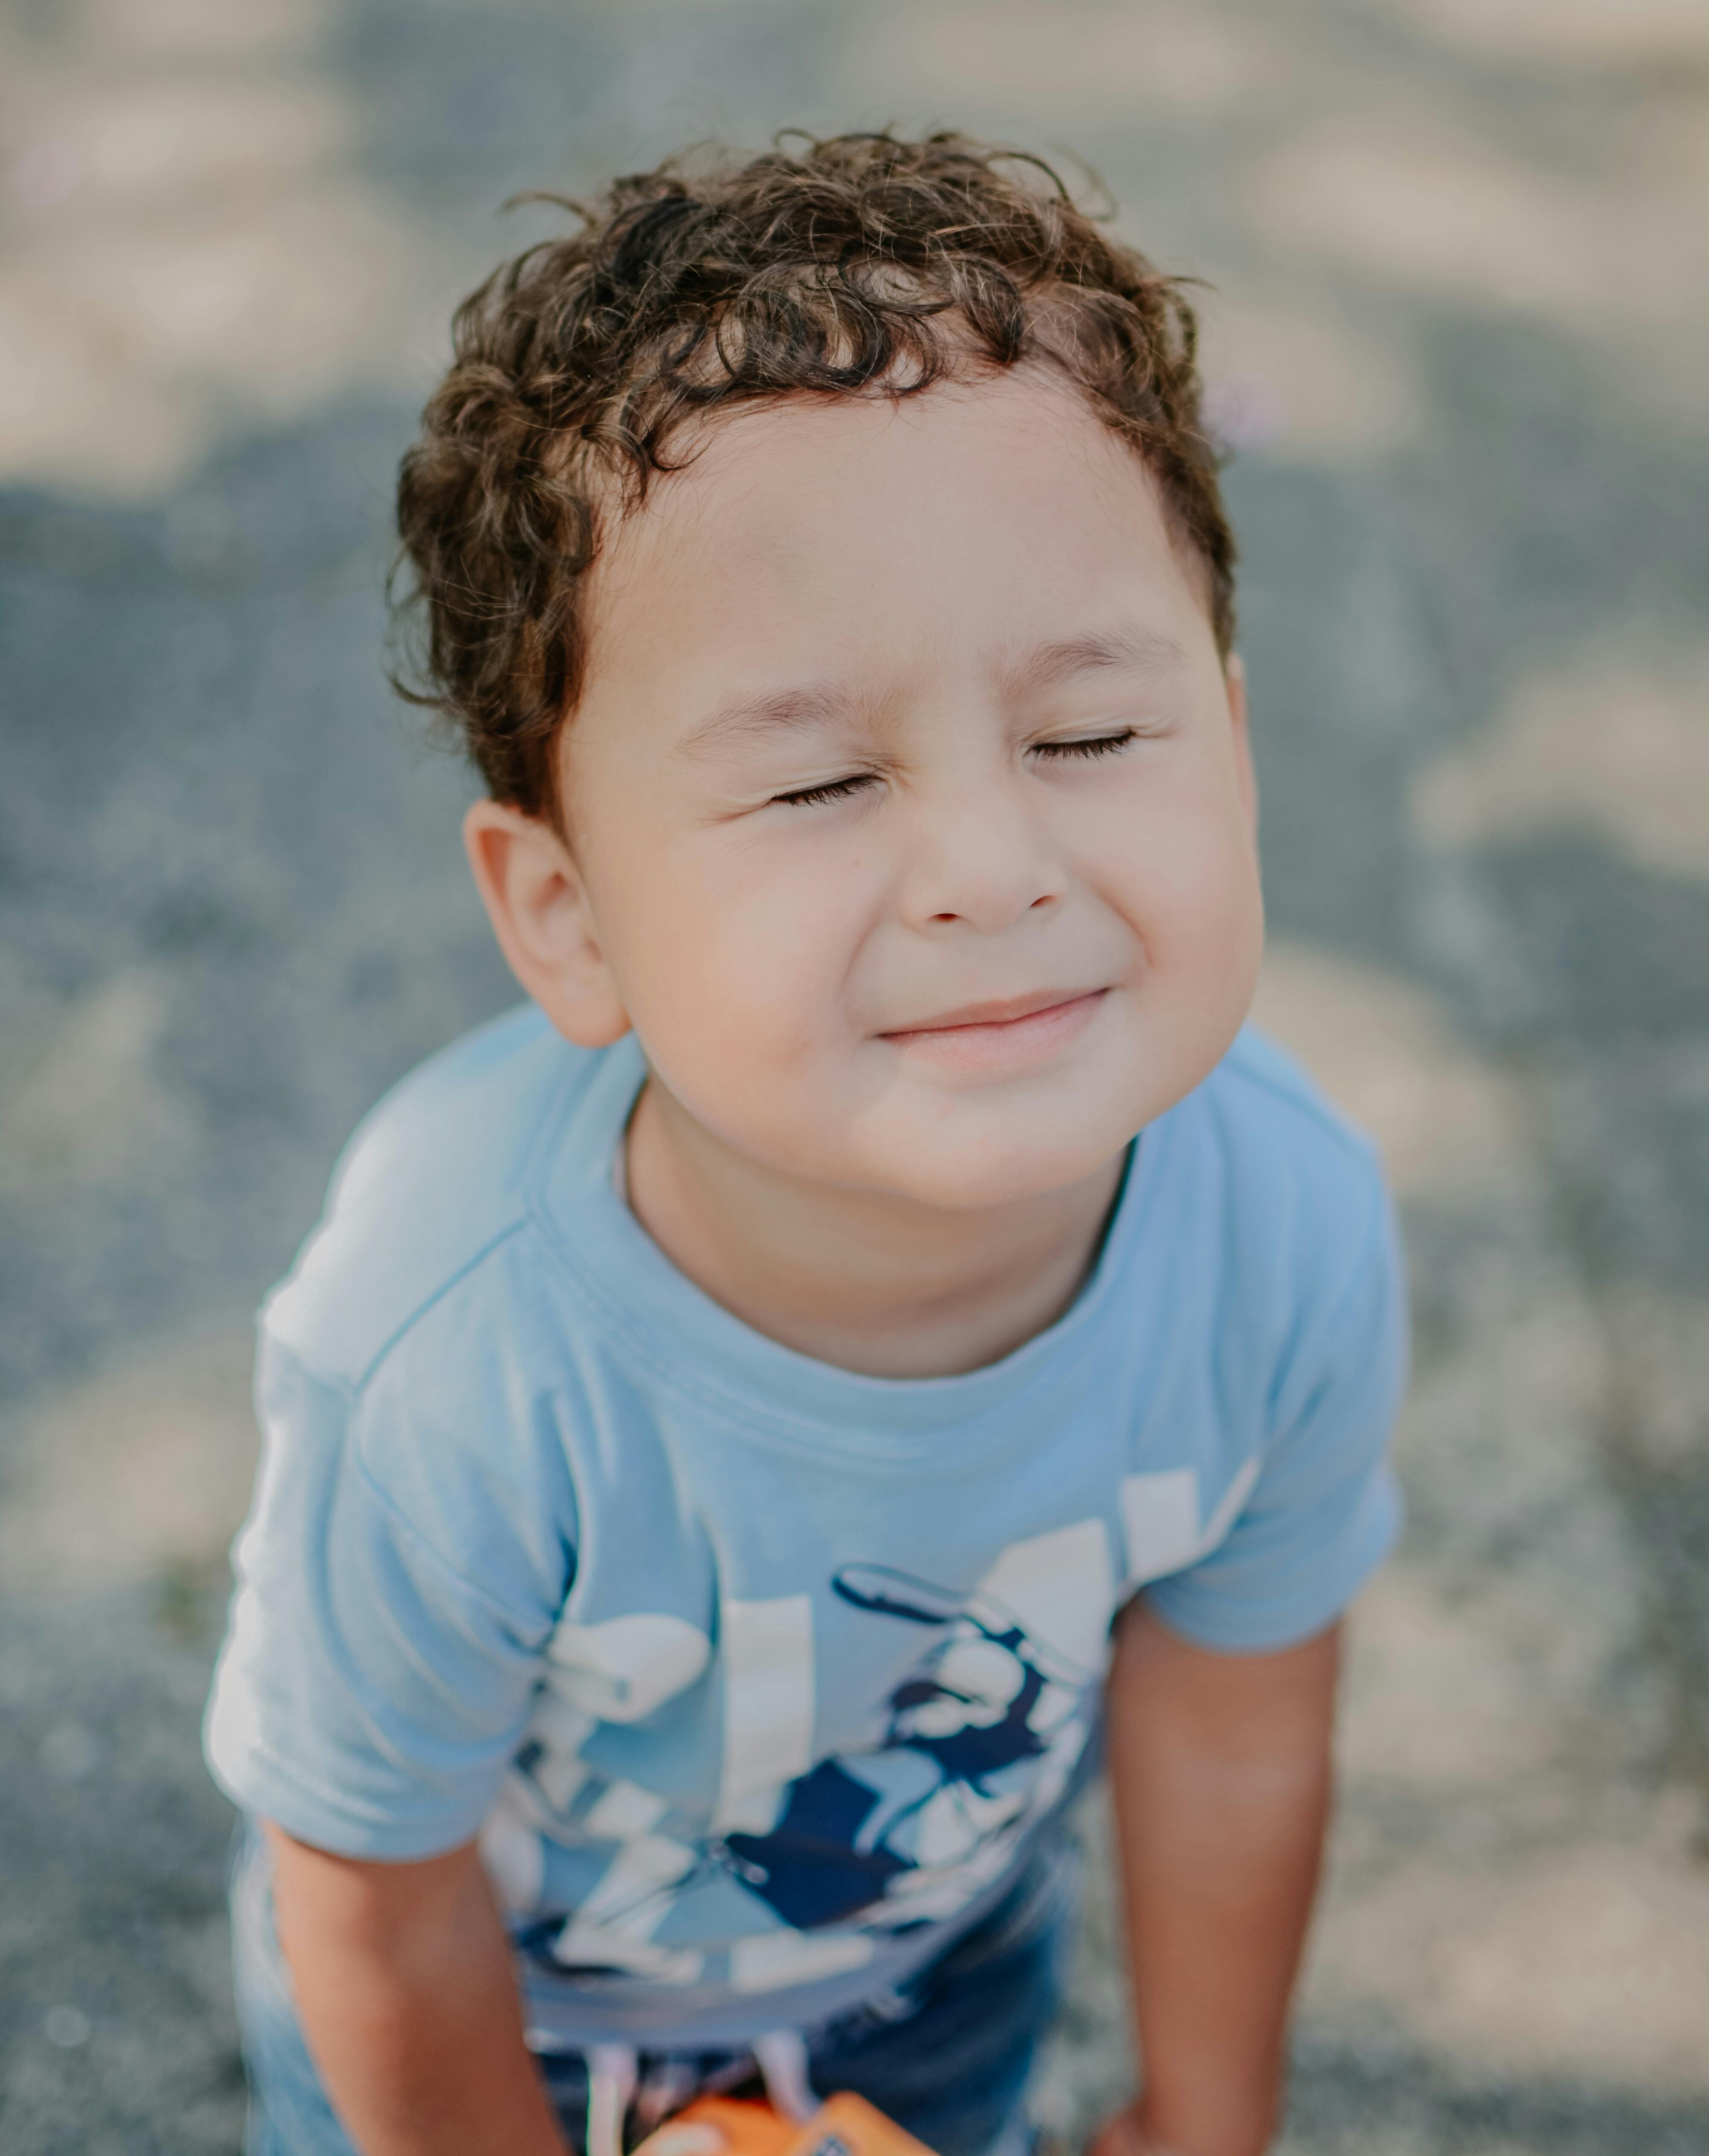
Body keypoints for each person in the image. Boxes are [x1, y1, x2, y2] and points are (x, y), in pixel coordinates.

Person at [205, 132, 1406, 2156]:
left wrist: (1211, 2113)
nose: (989, 865)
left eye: (1093, 736)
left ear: (1233, 737)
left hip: (926, 1993)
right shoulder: (449, 1362)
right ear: (566, 918)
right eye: (823, 779)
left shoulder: (1282, 1225)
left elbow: (1230, 1710)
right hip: (492, 2039)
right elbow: (374, 1883)